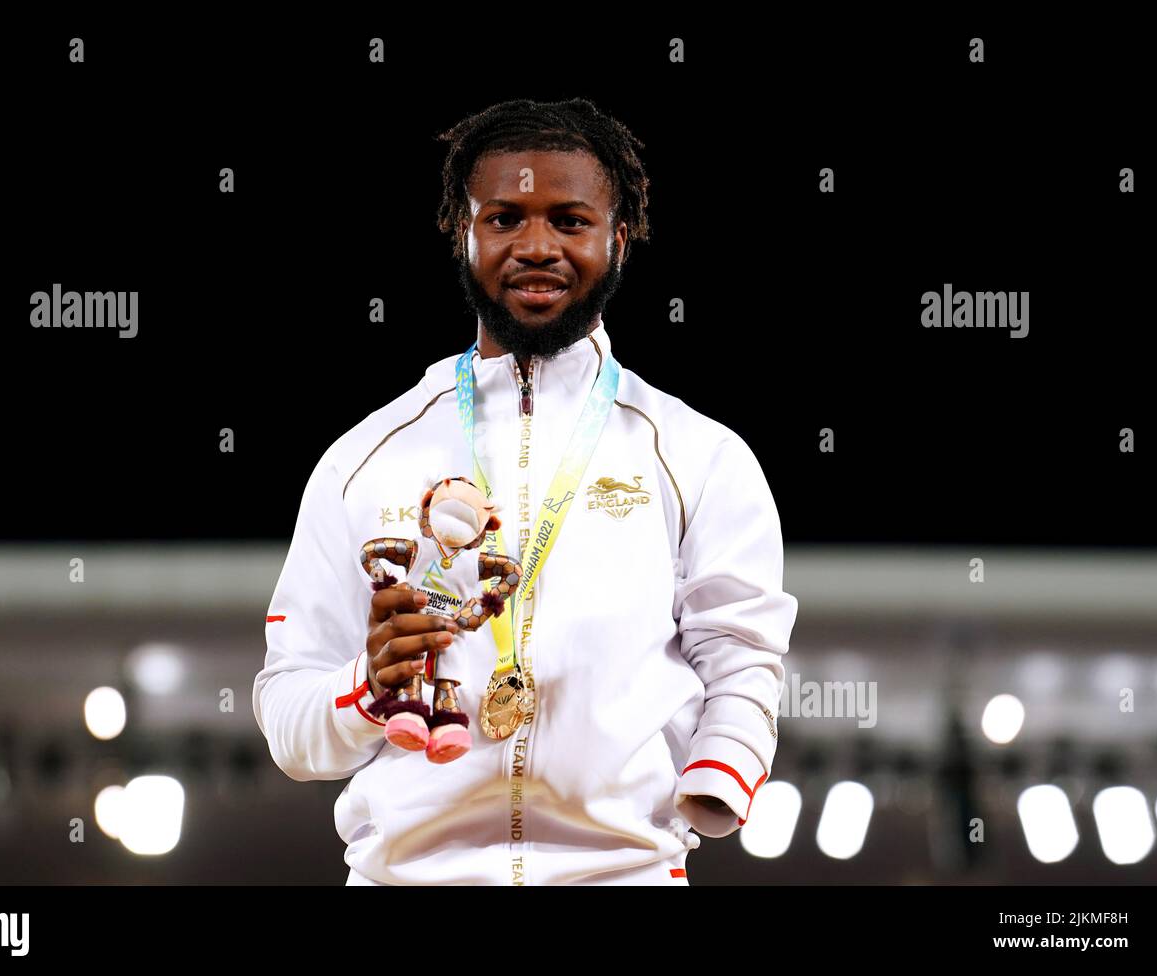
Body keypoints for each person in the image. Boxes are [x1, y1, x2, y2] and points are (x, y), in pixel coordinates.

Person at [253, 97, 798, 885]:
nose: (536, 247)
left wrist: (718, 779)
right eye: (505, 218)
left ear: (619, 237)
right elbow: (288, 718)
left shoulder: (698, 455)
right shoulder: (364, 459)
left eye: (570, 221)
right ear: (461, 232)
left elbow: (743, 656)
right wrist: (364, 688)